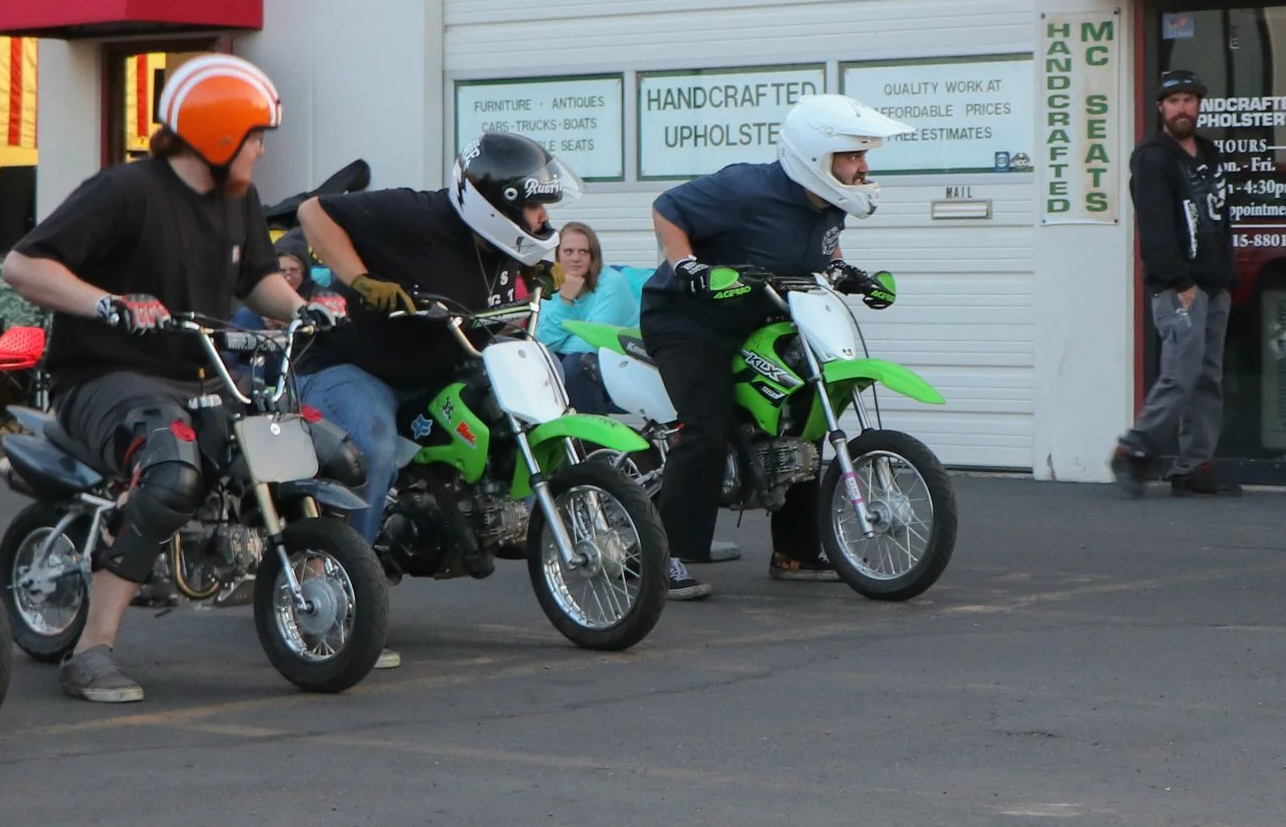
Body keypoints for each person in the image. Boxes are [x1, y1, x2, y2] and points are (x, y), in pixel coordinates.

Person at [0, 54, 317, 703]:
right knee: (173, 468)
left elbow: (253, 277)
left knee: (307, 448)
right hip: (101, 376)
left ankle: (322, 614)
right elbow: (22, 266)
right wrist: (108, 303)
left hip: (197, 374)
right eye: (255, 135)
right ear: (220, 135)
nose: (260, 149)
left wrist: (306, 311)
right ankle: (91, 651)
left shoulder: (239, 198)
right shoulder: (126, 190)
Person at [642, 95, 906, 600]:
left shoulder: (827, 201)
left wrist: (845, 273)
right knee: (707, 424)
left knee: (803, 412)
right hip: (690, 322)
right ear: (815, 155)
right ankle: (664, 557)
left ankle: (796, 553)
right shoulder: (747, 187)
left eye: (862, 156)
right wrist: (687, 267)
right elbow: (667, 208)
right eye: (852, 156)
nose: (862, 167)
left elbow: (822, 249)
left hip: (766, 318)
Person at [296, 132, 569, 583]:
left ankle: (506, 515)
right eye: (535, 208)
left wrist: (537, 266)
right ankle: (348, 587)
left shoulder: (505, 240)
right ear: (495, 208)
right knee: (375, 447)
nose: (544, 218)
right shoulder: (416, 215)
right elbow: (313, 211)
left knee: (539, 380)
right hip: (351, 365)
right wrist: (361, 280)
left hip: (442, 368)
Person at [1112, 70, 1241, 498]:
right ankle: (1133, 449)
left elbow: (1221, 216)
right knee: (1179, 375)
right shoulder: (1151, 157)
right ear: (1160, 108)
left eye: (1190, 99)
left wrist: (1225, 274)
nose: (1183, 107)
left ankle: (1192, 467)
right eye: (1174, 100)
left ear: (1199, 105)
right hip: (1178, 288)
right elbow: (1154, 227)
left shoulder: (1209, 152)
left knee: (1208, 379)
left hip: (1213, 285)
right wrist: (1178, 280)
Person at [533, 220, 639, 415]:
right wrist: (565, 299)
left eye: (583, 252)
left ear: (593, 257)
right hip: (582, 368)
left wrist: (561, 333)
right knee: (540, 368)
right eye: (568, 251)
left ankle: (591, 441)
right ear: (558, 256)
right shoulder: (554, 288)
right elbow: (541, 344)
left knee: (574, 364)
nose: (576, 258)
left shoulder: (612, 283)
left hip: (629, 368)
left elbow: (589, 343)